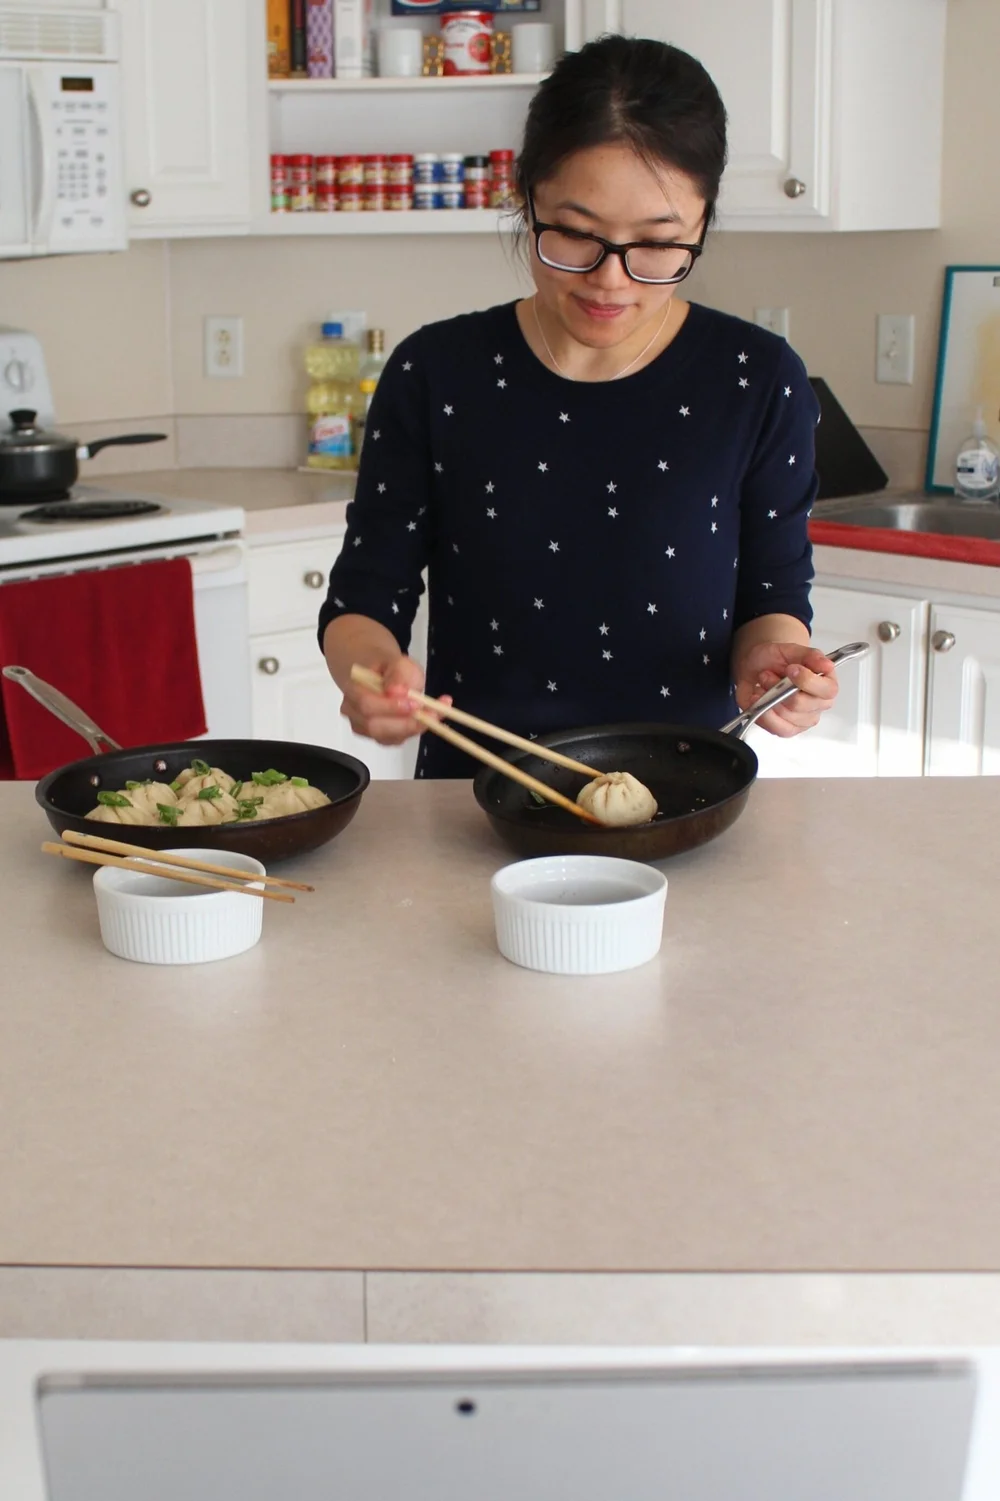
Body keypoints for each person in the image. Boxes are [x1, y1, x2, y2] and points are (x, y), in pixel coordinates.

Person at [320, 33, 839, 778]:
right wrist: (368, 672)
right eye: (574, 234)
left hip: (683, 797)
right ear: (525, 198)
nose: (610, 280)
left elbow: (773, 595)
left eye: (657, 244)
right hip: (476, 799)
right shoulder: (434, 373)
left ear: (702, 223)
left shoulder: (757, 380)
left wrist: (774, 664)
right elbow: (365, 594)